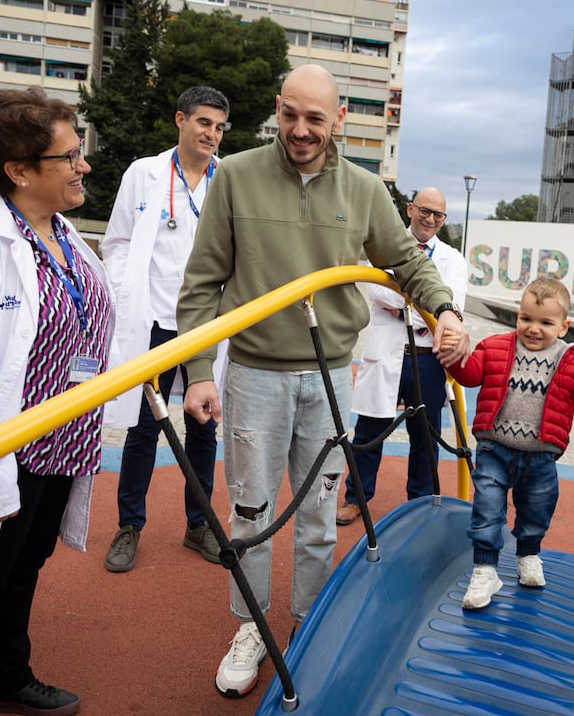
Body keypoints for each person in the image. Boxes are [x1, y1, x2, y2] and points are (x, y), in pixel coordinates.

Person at [177, 63, 471, 698]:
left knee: (318, 512)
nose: (301, 130)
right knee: (251, 511)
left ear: (340, 120)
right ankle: (253, 626)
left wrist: (444, 309)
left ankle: (311, 621)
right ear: (277, 110)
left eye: (316, 118)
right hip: (255, 372)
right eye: (290, 114)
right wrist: (198, 371)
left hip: (333, 374)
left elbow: (405, 263)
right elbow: (202, 281)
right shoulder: (238, 177)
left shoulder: (365, 190)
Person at [0, 87, 114, 716]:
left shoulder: (64, 232)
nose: (82, 165)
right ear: (19, 170)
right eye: (68, 157)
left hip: (65, 438)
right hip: (10, 440)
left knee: (25, 565)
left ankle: (6, 672)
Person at [101, 86, 231, 573]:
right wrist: (125, 295)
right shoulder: (144, 173)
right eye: (202, 123)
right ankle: (129, 524)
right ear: (180, 120)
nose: (211, 134)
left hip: (205, 331)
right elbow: (115, 243)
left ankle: (198, 525)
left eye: (219, 127)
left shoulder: (228, 179)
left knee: (203, 430)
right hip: (153, 321)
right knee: (142, 430)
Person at [444, 277, 574, 610]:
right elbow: (471, 374)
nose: (533, 328)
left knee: (537, 509)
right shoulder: (495, 347)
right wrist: (454, 356)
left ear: (564, 326)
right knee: (487, 508)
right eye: (526, 319)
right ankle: (485, 568)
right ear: (518, 315)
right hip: (495, 448)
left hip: (541, 456)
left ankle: (528, 553)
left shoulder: (573, 360)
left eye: (546, 322)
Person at [336, 187, 468, 526]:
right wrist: (423, 303)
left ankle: (421, 504)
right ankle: (356, 498)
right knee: (369, 430)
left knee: (426, 435)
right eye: (424, 210)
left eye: (438, 214)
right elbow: (378, 290)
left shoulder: (453, 259)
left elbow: (453, 304)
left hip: (428, 357)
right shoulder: (386, 247)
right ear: (410, 209)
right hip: (387, 353)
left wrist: (406, 300)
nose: (430, 219)